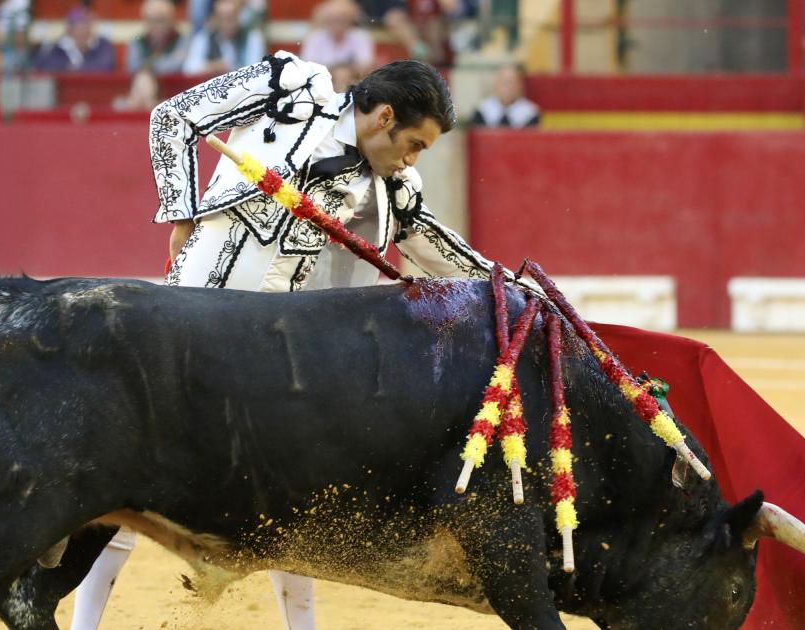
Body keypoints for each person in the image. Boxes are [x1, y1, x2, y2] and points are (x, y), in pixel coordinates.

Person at [73, 51, 518, 630]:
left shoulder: (393, 187)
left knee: (296, 498)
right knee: (130, 478)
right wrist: (181, 216)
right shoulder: (288, 88)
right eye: (414, 143)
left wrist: (511, 293)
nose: (412, 159)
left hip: (277, 362)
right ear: (383, 116)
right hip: (189, 323)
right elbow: (175, 117)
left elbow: (431, 246)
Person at [182, 0, 265, 76]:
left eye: (230, 18)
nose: (226, 24)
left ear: (238, 16)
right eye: (222, 19)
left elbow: (256, 69)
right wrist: (214, 66)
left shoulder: (252, 37)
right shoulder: (204, 37)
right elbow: (189, 68)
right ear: (215, 18)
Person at [300, 0, 375, 75]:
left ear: (351, 19)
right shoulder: (315, 38)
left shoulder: (361, 37)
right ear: (327, 19)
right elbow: (308, 67)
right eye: (334, 17)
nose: (338, 21)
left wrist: (341, 73)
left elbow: (365, 66)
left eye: (343, 17)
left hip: (352, 82)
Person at [32, 6, 115, 73]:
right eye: (78, 28)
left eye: (86, 27)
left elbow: (106, 66)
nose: (82, 32)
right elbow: (44, 66)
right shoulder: (57, 48)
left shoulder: (103, 45)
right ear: (69, 30)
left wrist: (75, 69)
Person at [126, 0, 187, 75]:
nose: (156, 26)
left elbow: (176, 66)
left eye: (161, 20)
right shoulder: (137, 41)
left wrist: (148, 65)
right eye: (151, 20)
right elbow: (133, 67)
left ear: (171, 20)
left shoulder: (181, 40)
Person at [470, 63, 540, 128]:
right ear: (495, 84)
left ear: (520, 86)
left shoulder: (530, 113)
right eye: (504, 82)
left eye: (512, 82)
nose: (509, 87)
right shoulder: (482, 110)